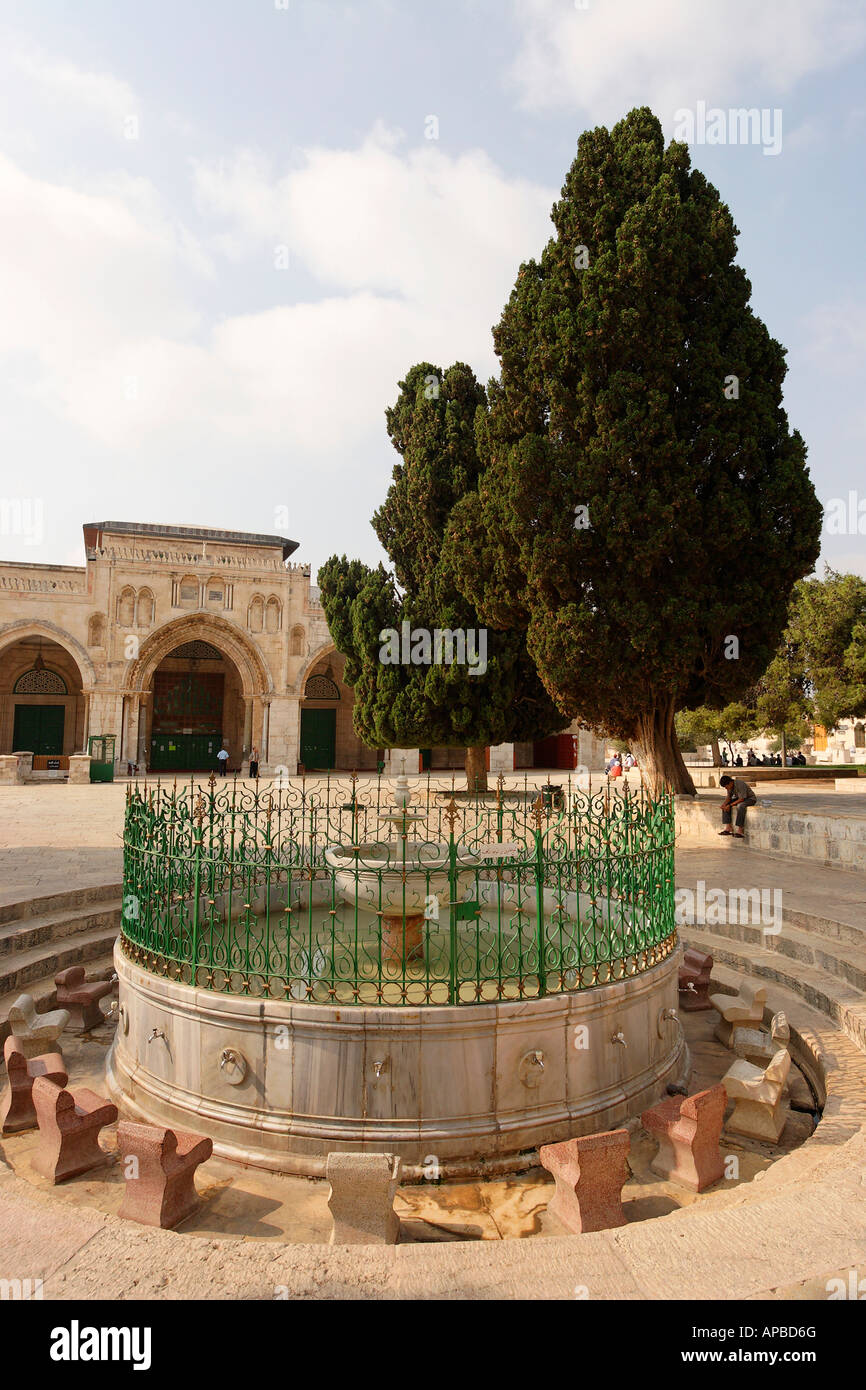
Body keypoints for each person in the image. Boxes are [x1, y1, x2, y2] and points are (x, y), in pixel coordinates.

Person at [719, 773, 757, 839]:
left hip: (750, 799)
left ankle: (740, 830)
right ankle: (728, 828)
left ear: (730, 783)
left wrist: (730, 805)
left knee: (740, 806)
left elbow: (742, 799)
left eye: (726, 786)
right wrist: (724, 805)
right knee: (726, 806)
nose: (726, 788)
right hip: (740, 798)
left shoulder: (740, 784)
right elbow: (729, 797)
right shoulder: (729, 787)